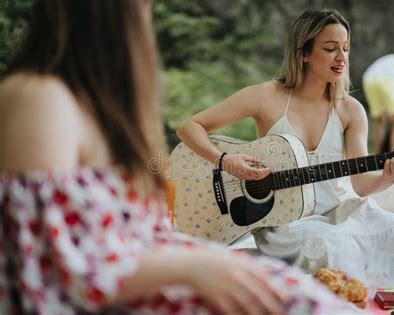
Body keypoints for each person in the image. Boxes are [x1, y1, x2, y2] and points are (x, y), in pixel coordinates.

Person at [0, 1, 366, 314]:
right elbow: (49, 268)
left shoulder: (98, 107)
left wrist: (202, 261)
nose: (146, 20)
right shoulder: (38, 99)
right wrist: (190, 266)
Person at [177, 9, 394, 288]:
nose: (341, 58)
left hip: (342, 212)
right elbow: (189, 126)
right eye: (330, 49)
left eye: (346, 48)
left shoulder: (351, 110)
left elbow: (361, 185)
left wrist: (389, 176)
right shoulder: (266, 96)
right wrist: (224, 160)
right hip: (285, 224)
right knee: (332, 248)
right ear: (303, 53)